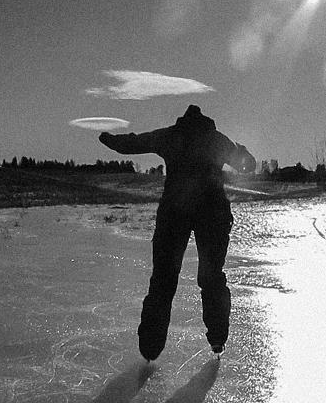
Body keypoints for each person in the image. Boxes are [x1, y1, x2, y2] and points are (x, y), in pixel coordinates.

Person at [99, 105, 256, 362]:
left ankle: (150, 347)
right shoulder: (216, 140)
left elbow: (135, 143)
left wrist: (110, 140)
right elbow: (246, 164)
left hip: (176, 210)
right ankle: (217, 338)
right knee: (211, 276)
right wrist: (245, 156)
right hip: (211, 212)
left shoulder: (171, 135)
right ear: (206, 122)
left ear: (183, 121)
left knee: (164, 278)